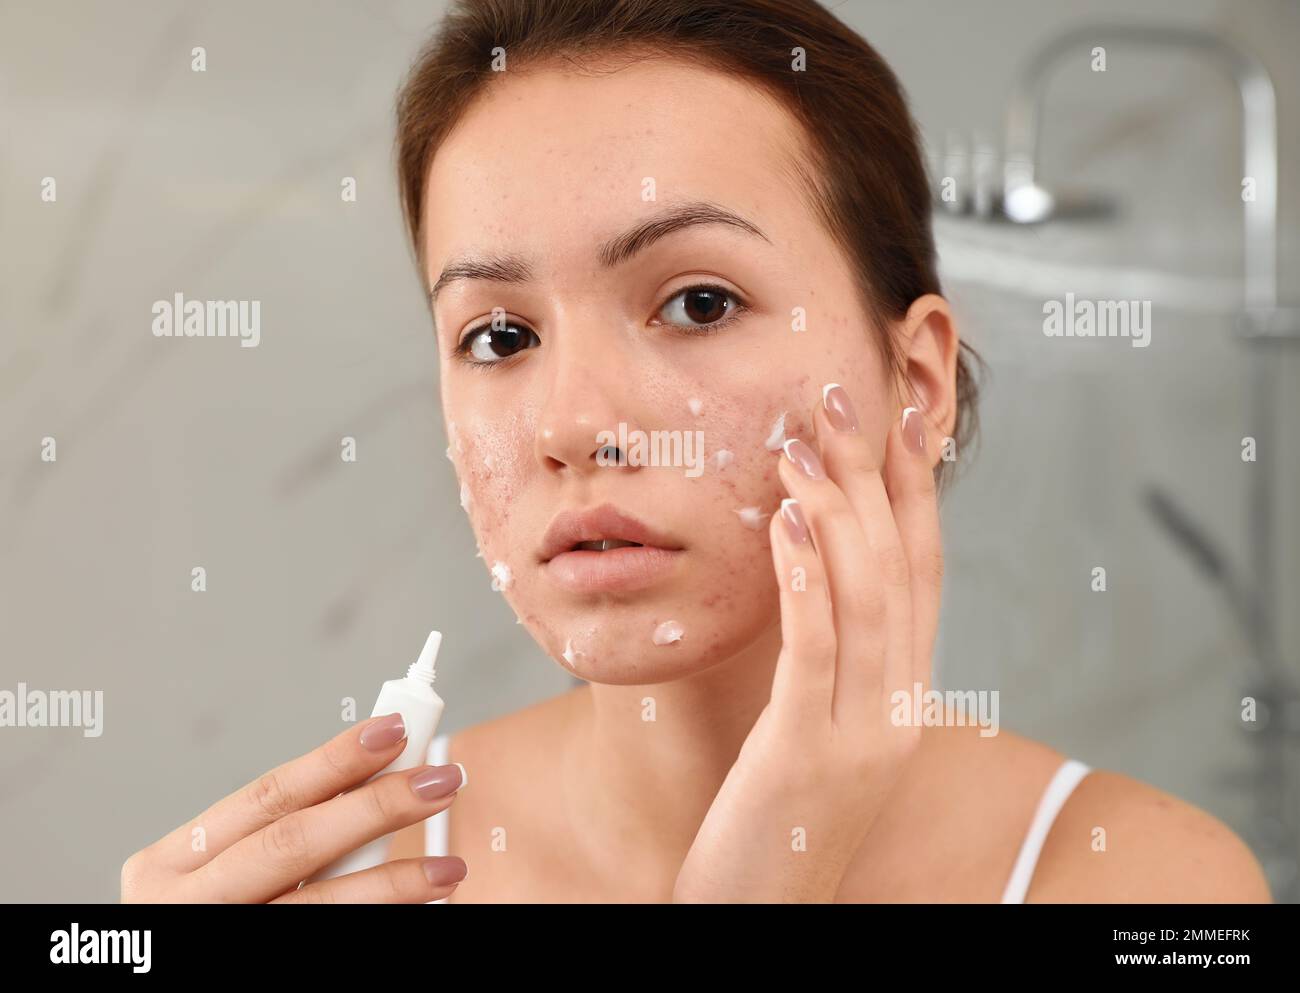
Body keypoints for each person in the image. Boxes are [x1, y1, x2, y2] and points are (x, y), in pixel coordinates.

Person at [123, 0, 1271, 904]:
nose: (573, 424)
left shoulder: (1143, 887)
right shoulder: (343, 882)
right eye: (500, 335)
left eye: (700, 303)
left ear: (913, 385)